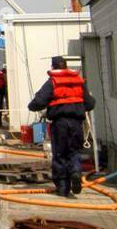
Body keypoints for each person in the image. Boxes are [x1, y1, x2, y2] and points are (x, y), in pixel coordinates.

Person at [26, 56, 95, 198]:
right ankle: (76, 172)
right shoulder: (79, 82)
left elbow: (39, 101)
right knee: (74, 151)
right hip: (76, 123)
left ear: (53, 67)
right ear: (66, 66)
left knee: (60, 154)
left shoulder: (52, 82)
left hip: (60, 123)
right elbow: (90, 103)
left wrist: (32, 106)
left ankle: (63, 188)